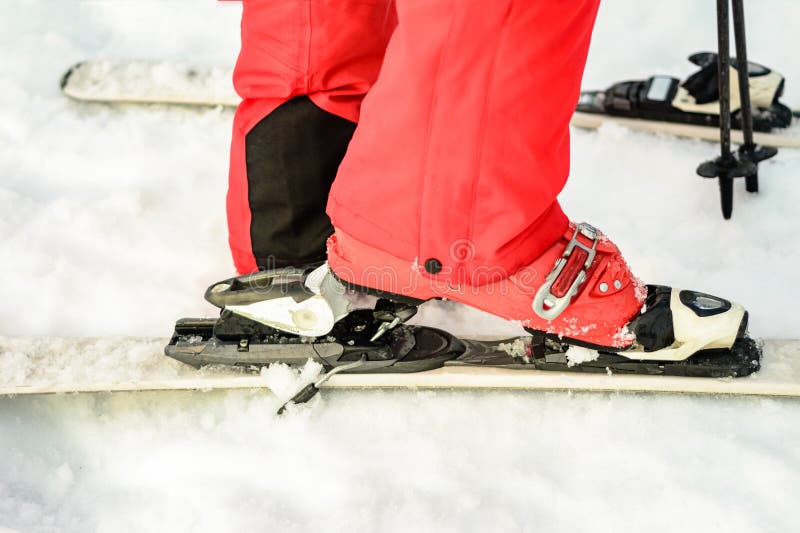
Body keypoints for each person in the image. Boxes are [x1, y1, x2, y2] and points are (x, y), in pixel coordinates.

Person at [221, 0, 749, 359]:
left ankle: (299, 228)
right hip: (440, 229)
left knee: (317, 24)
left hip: (295, 197)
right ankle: (439, 239)